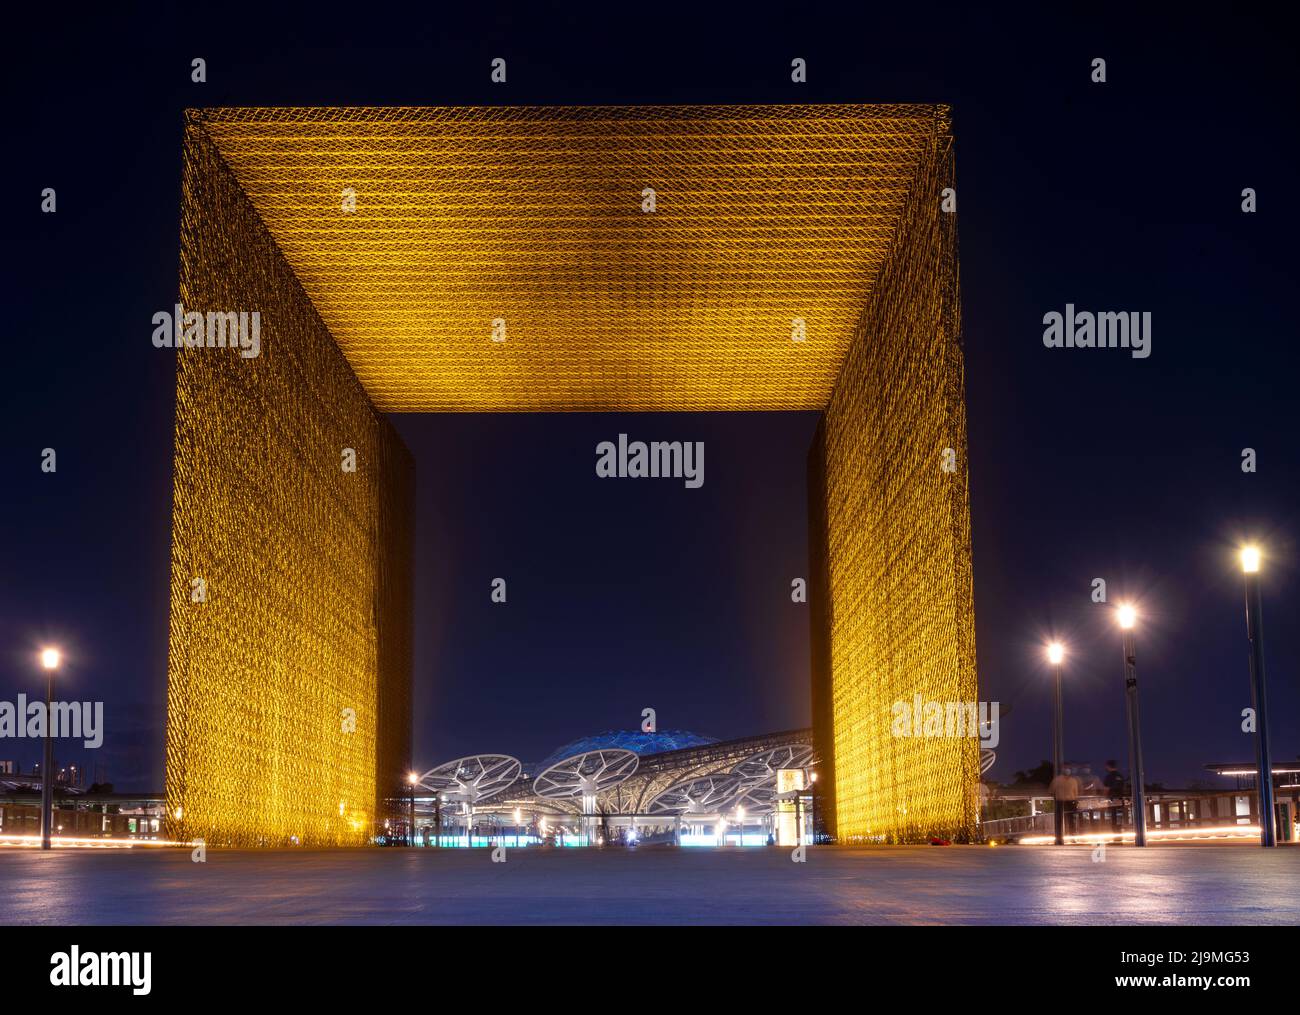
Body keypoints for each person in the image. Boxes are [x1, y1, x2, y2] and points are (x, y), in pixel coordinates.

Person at [1049, 765, 1081, 837]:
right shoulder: (1057, 780)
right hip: (1060, 801)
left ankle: (1071, 834)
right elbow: (1051, 791)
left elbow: (1076, 793)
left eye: (1068, 768)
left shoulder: (1073, 780)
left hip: (1070, 802)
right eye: (1065, 768)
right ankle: (1060, 835)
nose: (1067, 770)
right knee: (1060, 819)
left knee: (1070, 819)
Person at [1103, 759, 1125, 833]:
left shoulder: (1109, 777)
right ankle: (1119, 836)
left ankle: (1115, 836)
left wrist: (1104, 798)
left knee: (1113, 819)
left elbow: (1106, 789)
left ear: (1108, 766)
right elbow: (1123, 788)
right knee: (1119, 819)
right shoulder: (1120, 776)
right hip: (1120, 800)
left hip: (1112, 801)